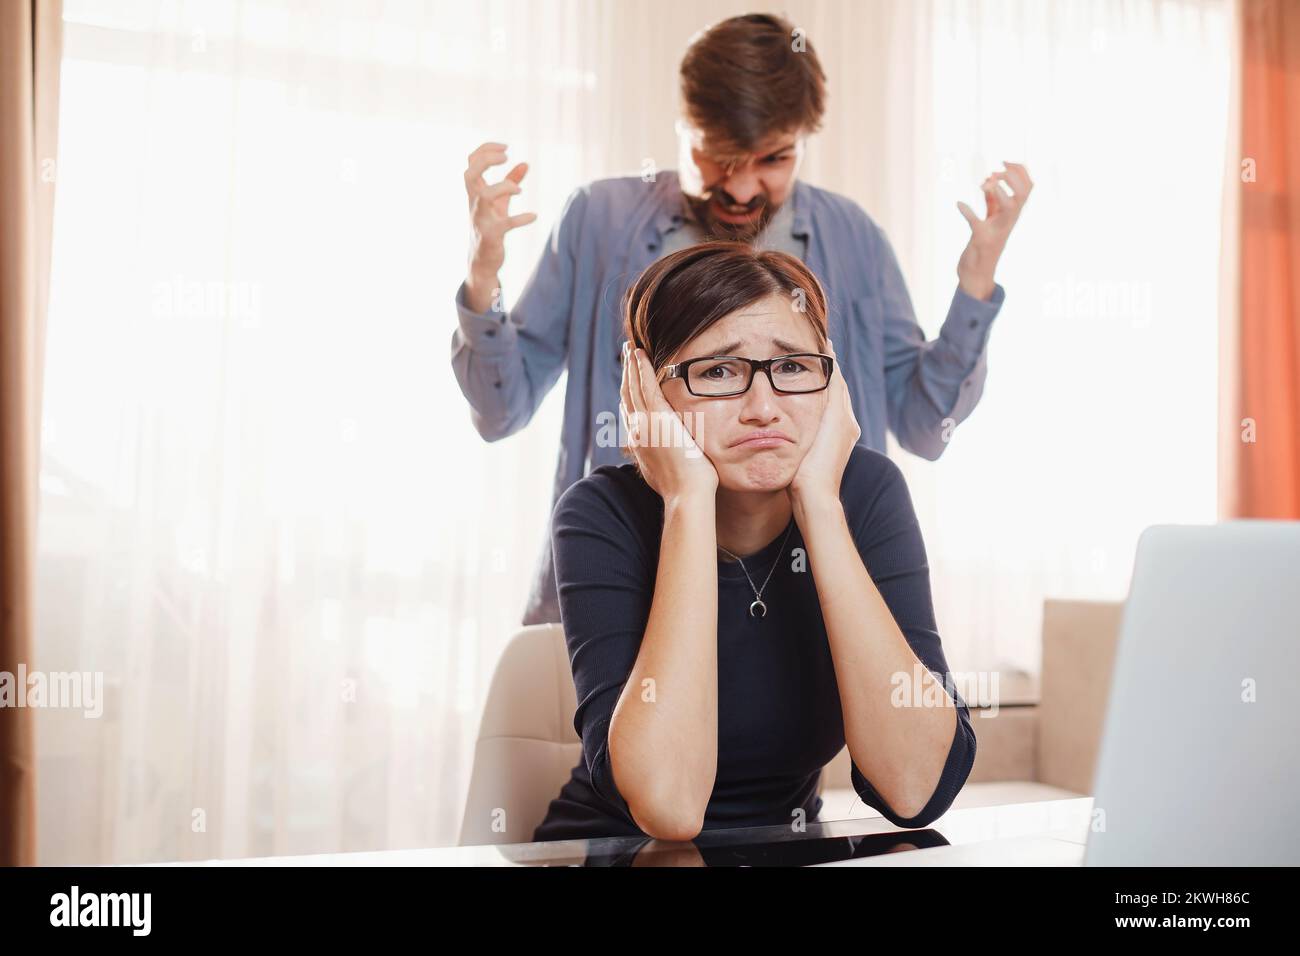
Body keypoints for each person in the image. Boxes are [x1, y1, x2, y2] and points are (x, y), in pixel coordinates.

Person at [453, 12, 1032, 626]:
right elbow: (499, 408)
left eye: (773, 160)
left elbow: (924, 424)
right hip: (629, 594)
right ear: (683, 129)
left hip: (809, 606)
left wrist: (975, 283)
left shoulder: (852, 237)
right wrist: (484, 275)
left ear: (804, 141)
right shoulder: (598, 220)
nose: (742, 187)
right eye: (719, 158)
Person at [531, 242, 976, 843]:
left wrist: (819, 503)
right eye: (718, 372)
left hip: (782, 850)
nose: (763, 409)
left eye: (793, 367)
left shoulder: (865, 492)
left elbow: (916, 787)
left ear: (831, 382)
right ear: (646, 391)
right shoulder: (601, 513)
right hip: (621, 853)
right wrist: (687, 501)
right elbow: (669, 808)